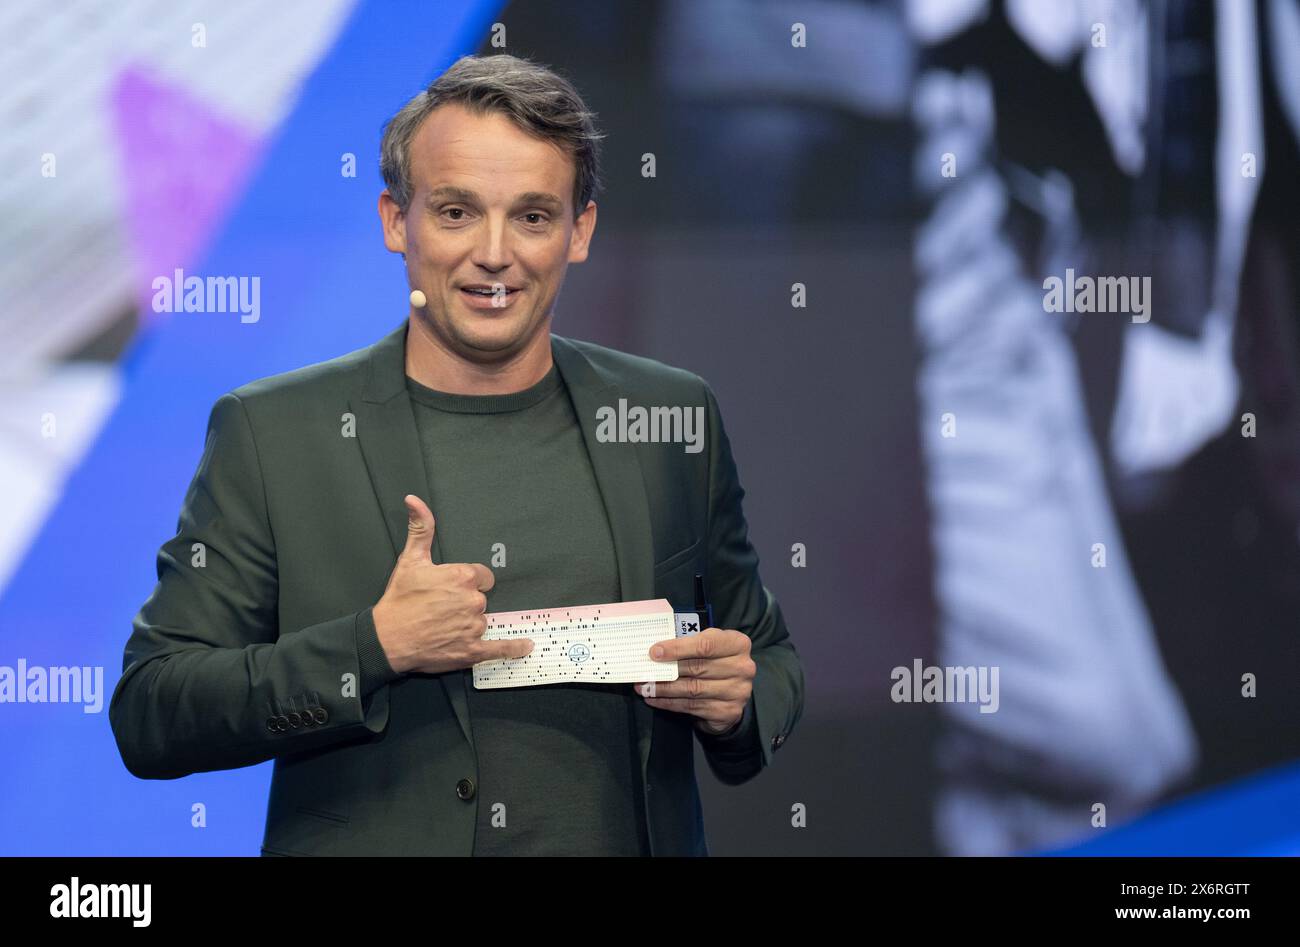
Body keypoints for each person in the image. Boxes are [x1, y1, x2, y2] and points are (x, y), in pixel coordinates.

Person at [109, 53, 804, 856]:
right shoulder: (274, 433)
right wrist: (374, 647)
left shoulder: (668, 416)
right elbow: (152, 711)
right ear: (395, 221)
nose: (495, 253)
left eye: (534, 216)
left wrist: (738, 698)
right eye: (456, 212)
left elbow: (770, 653)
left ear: (579, 231)